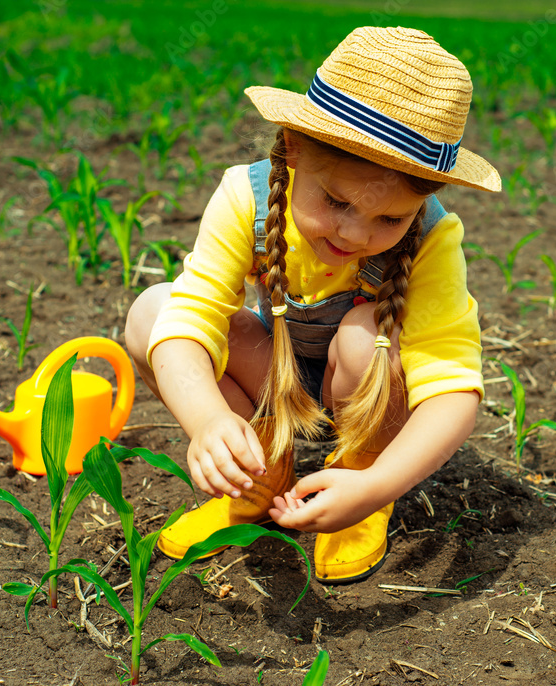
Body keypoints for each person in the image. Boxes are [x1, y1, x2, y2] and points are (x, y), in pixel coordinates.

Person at [125, 26, 501, 584]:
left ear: (423, 197)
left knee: (362, 332)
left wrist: (377, 485)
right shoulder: (245, 197)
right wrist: (207, 421)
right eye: (336, 201)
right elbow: (192, 314)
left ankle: (357, 478)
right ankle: (257, 477)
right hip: (276, 382)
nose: (353, 233)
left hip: (369, 399)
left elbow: (451, 387)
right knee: (153, 310)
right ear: (294, 147)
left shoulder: (433, 236)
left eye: (389, 219)